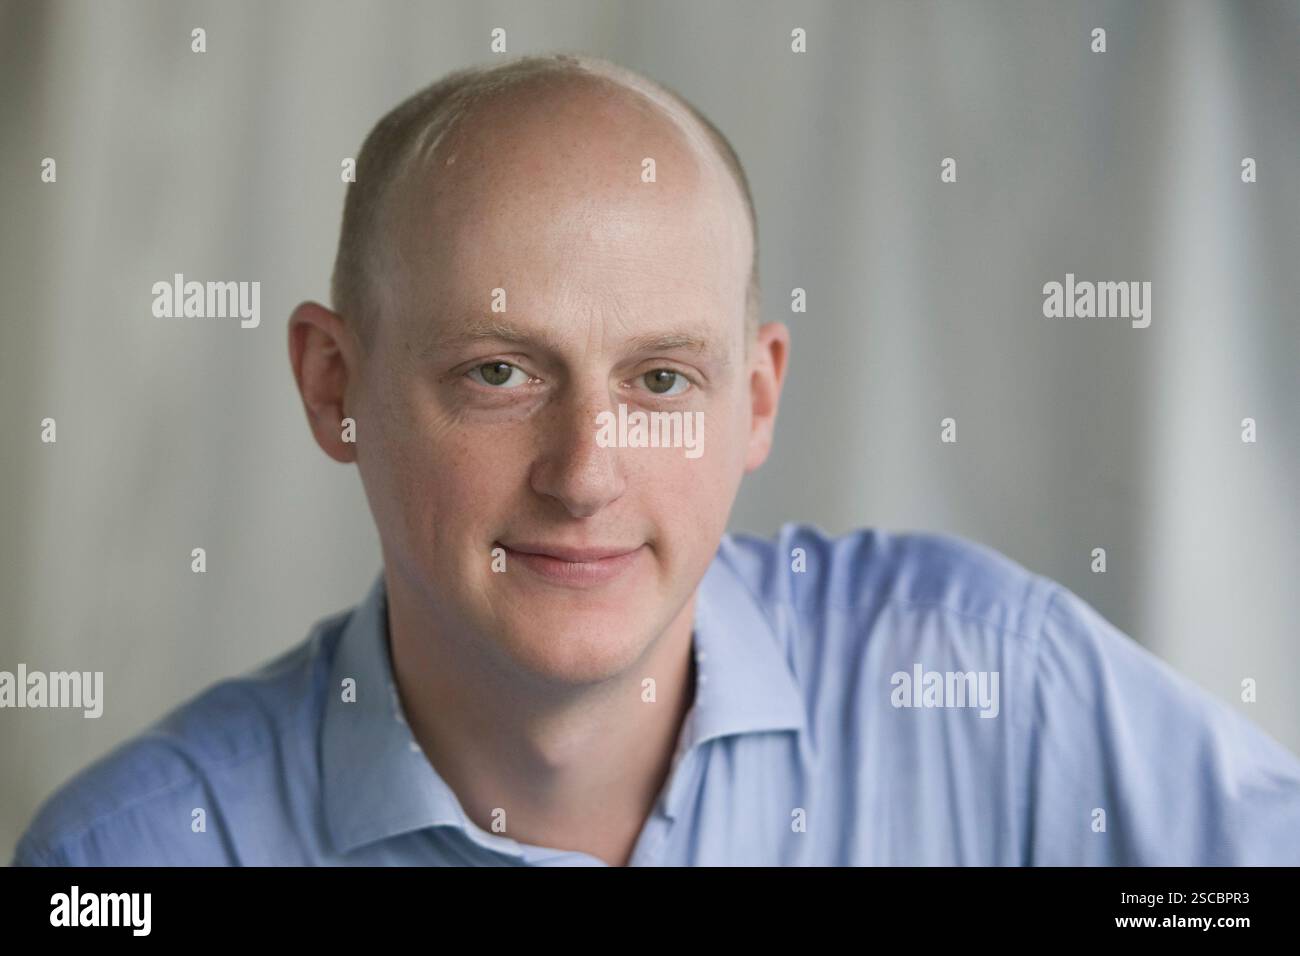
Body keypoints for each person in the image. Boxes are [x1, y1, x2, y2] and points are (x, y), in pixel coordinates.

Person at [13, 53, 1300, 867]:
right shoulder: (129, 862)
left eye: (660, 379)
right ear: (332, 386)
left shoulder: (996, 690)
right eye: (499, 373)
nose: (584, 470)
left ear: (755, 398)